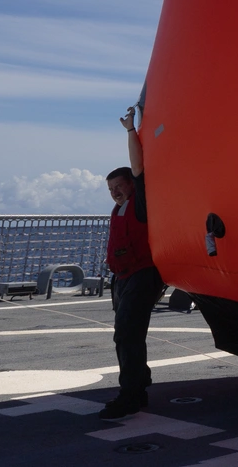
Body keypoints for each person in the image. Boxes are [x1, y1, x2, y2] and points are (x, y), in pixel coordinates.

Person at [99, 105, 164, 420]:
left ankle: (131, 394)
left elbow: (138, 166)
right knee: (127, 334)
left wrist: (130, 130)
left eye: (119, 187)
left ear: (131, 185)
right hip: (123, 278)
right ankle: (139, 384)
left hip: (142, 274)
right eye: (111, 189)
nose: (115, 193)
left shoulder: (140, 202)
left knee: (127, 334)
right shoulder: (119, 210)